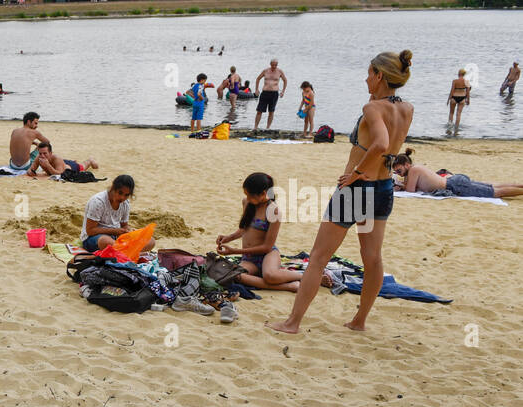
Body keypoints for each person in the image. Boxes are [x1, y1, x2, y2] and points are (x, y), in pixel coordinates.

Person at [268, 49, 414, 335]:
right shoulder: (406, 108)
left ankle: (292, 322)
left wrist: (357, 173)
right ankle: (359, 321)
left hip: (356, 190)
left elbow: (381, 144)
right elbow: (388, 146)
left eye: (369, 73)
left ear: (380, 75)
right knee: (372, 258)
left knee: (319, 257)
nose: (365, 78)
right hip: (383, 189)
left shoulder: (372, 108)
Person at [216, 172, 316, 292]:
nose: (247, 198)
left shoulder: (274, 211)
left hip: (268, 255)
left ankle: (305, 277)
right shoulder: (247, 203)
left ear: (263, 193)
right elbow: (243, 230)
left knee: (270, 276)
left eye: (250, 196)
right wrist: (228, 238)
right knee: (234, 275)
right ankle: (289, 286)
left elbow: (267, 247)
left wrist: (234, 251)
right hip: (249, 259)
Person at [391, 150, 523, 199]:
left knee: (495, 192)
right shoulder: (414, 170)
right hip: (454, 181)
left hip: (454, 185)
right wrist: (401, 183)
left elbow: (410, 191)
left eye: (399, 171)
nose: (399, 174)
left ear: (406, 165)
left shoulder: (413, 170)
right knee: (491, 186)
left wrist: (399, 186)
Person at [81, 175, 151, 252]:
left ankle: (123, 250)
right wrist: (114, 231)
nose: (122, 198)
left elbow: (124, 225)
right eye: (120, 193)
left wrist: (129, 230)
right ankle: (126, 250)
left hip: (116, 238)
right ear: (113, 188)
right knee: (105, 241)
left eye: (126, 195)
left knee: (150, 240)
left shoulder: (125, 203)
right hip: (94, 239)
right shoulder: (98, 201)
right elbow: (90, 231)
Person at [27, 140, 98, 178]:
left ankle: (90, 160)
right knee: (62, 164)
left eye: (45, 153)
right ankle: (71, 161)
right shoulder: (38, 157)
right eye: (40, 153)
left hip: (70, 168)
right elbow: (31, 170)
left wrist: (48, 166)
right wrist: (31, 172)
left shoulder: (56, 158)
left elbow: (60, 174)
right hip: (62, 164)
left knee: (84, 166)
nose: (42, 156)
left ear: (50, 153)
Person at [253, 58, 286, 131]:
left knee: (271, 111)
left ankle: (268, 127)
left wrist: (283, 91)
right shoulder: (265, 71)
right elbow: (258, 79)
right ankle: (255, 127)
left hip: (274, 93)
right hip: (265, 92)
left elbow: (285, 80)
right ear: (270, 64)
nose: (274, 66)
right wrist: (256, 89)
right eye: (273, 65)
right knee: (259, 111)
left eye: (275, 65)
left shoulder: (279, 71)